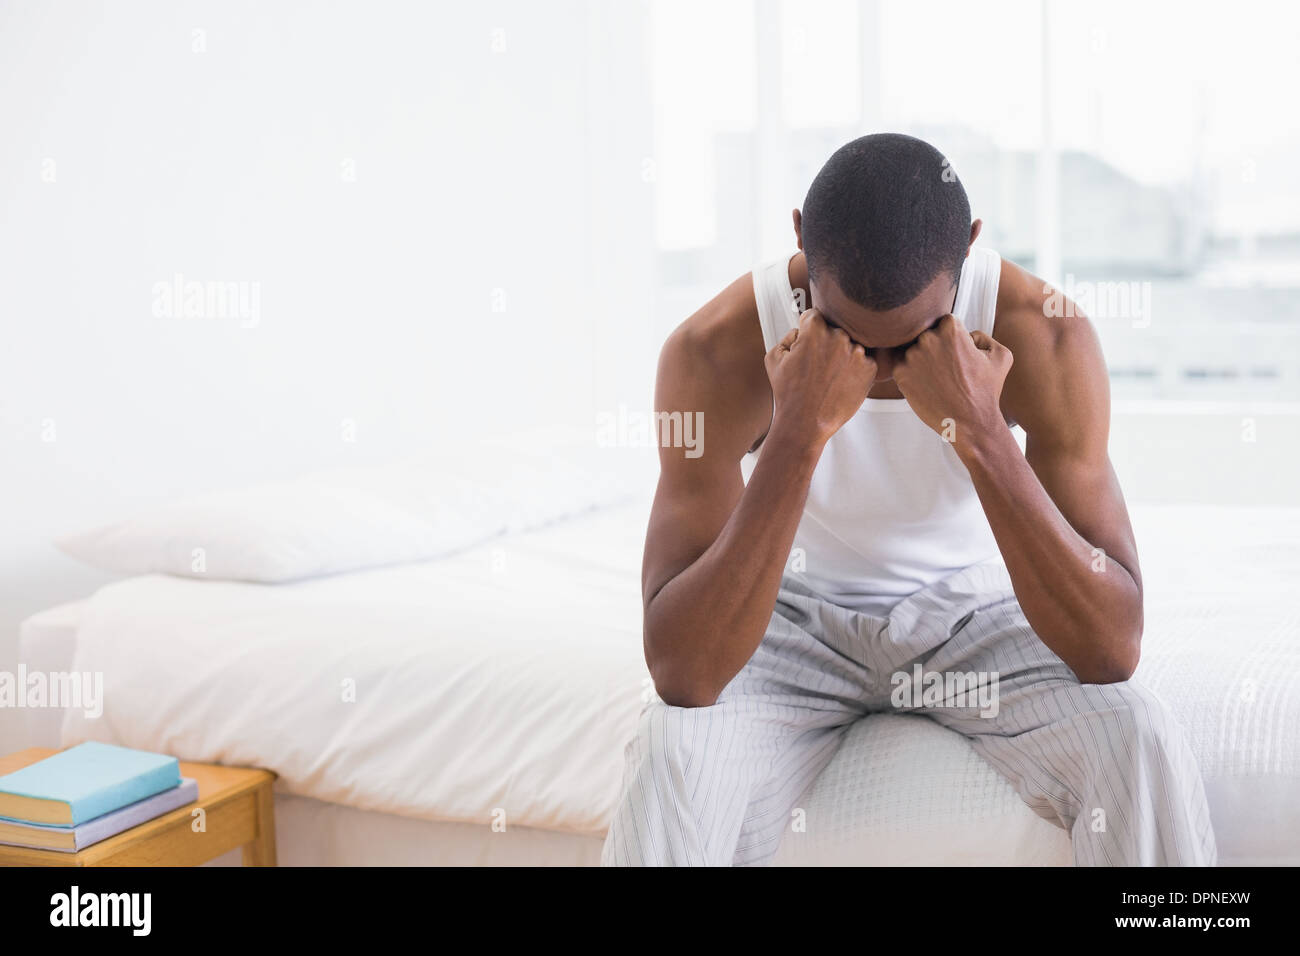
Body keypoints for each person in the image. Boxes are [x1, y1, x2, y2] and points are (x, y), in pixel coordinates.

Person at [601, 133, 1216, 867]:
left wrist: (983, 429)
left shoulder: (1045, 334)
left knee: (1137, 735)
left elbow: (1112, 647)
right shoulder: (713, 351)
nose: (882, 370)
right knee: (672, 750)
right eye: (846, 334)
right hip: (789, 626)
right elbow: (684, 672)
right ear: (800, 241)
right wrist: (798, 430)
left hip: (974, 617)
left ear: (971, 252)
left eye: (918, 336)